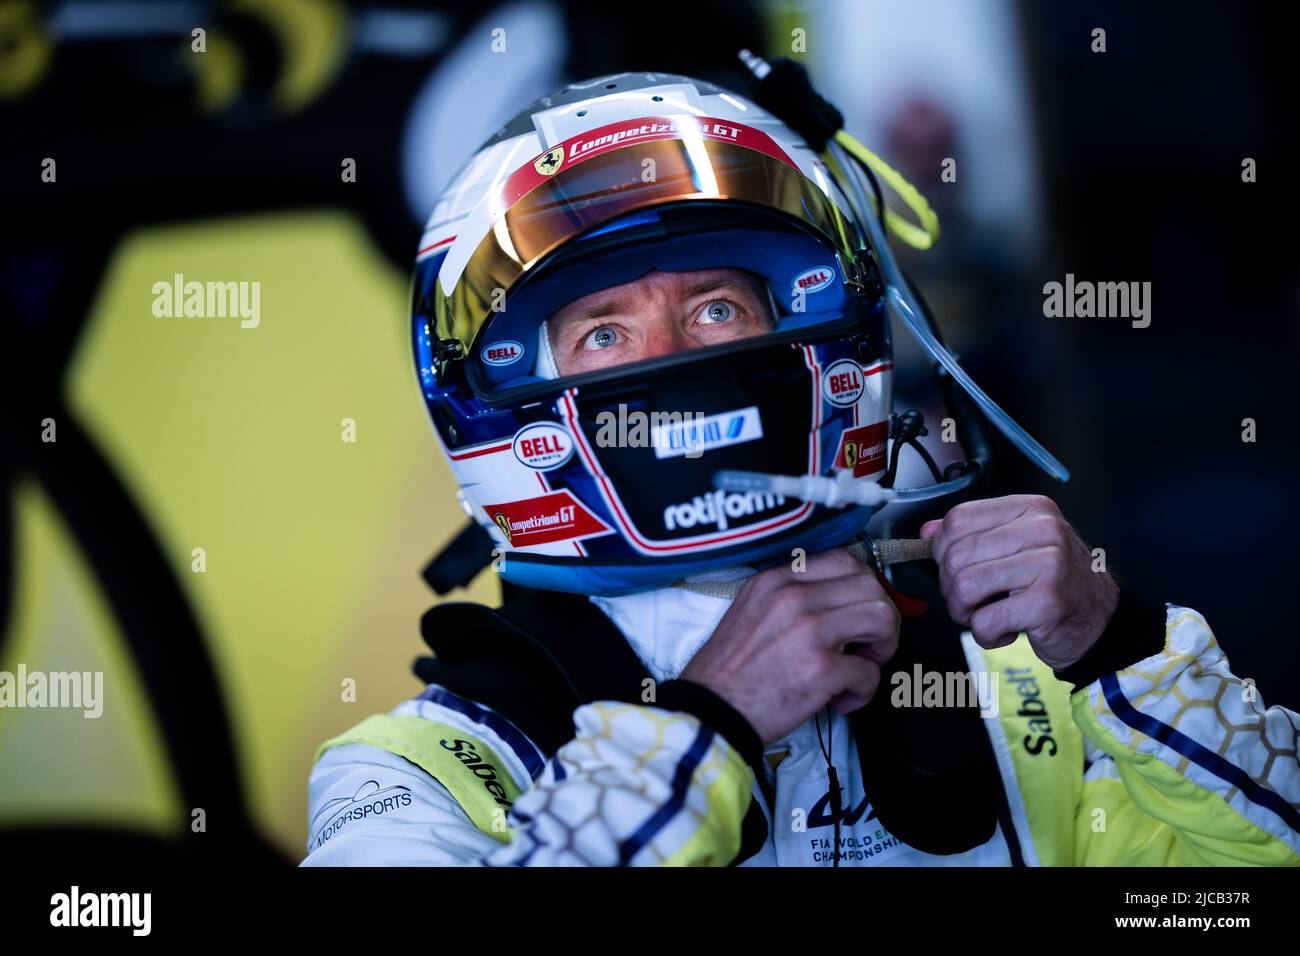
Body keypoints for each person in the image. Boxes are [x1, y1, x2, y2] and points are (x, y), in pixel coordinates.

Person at [301, 68, 1300, 866]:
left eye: (718, 308)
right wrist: (708, 723)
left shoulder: (1023, 679)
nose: (675, 354)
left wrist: (1118, 645)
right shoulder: (421, 766)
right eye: (605, 333)